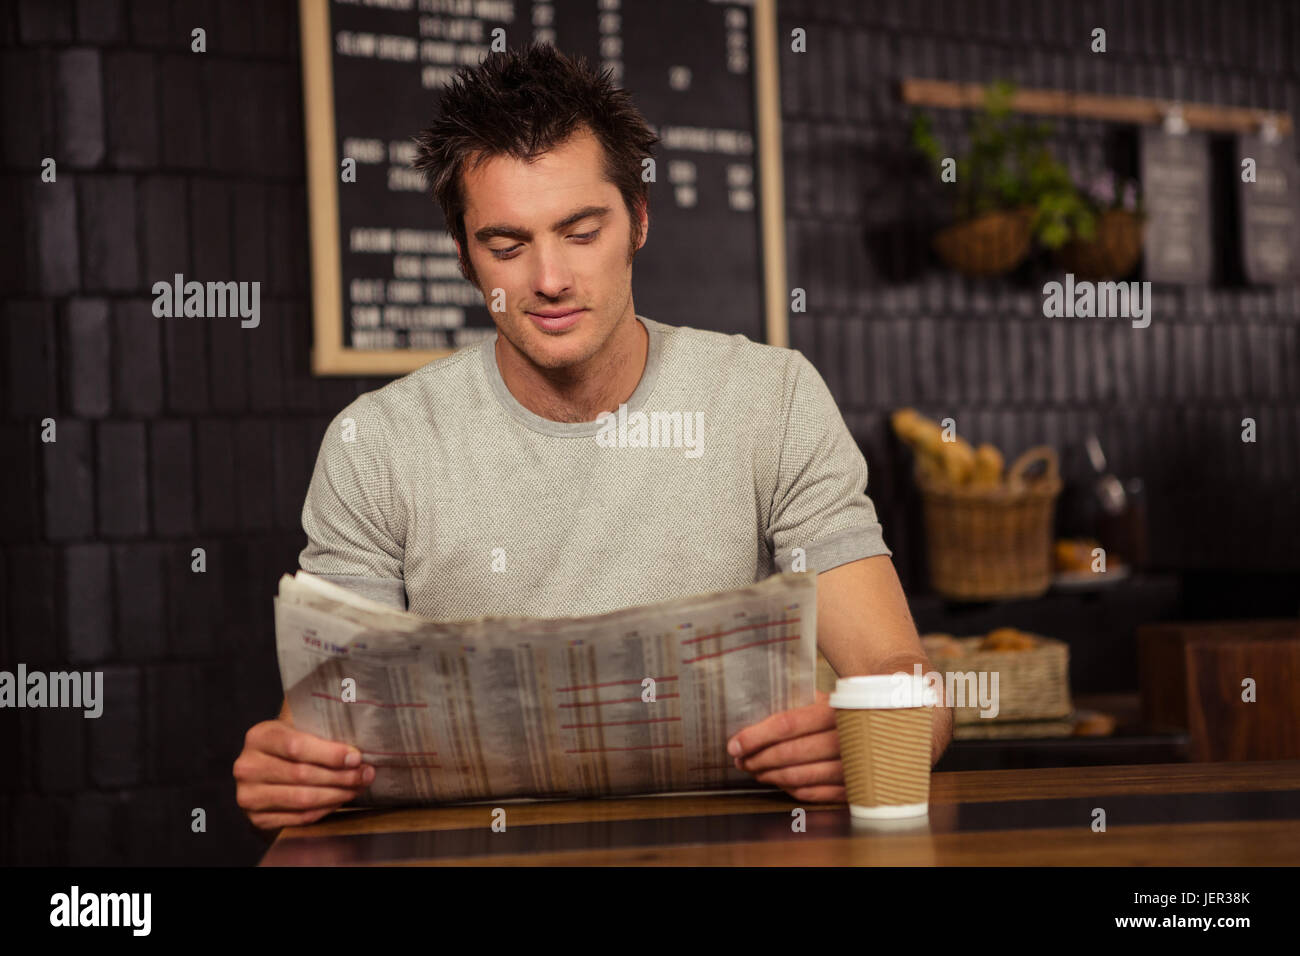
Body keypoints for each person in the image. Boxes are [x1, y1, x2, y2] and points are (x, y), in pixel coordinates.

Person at [235, 43, 951, 833]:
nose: (548, 279)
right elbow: (327, 723)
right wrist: (293, 774)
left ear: (638, 220)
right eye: (506, 246)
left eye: (581, 232)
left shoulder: (769, 399)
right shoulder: (375, 444)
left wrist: (883, 735)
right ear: (467, 260)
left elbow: (897, 670)